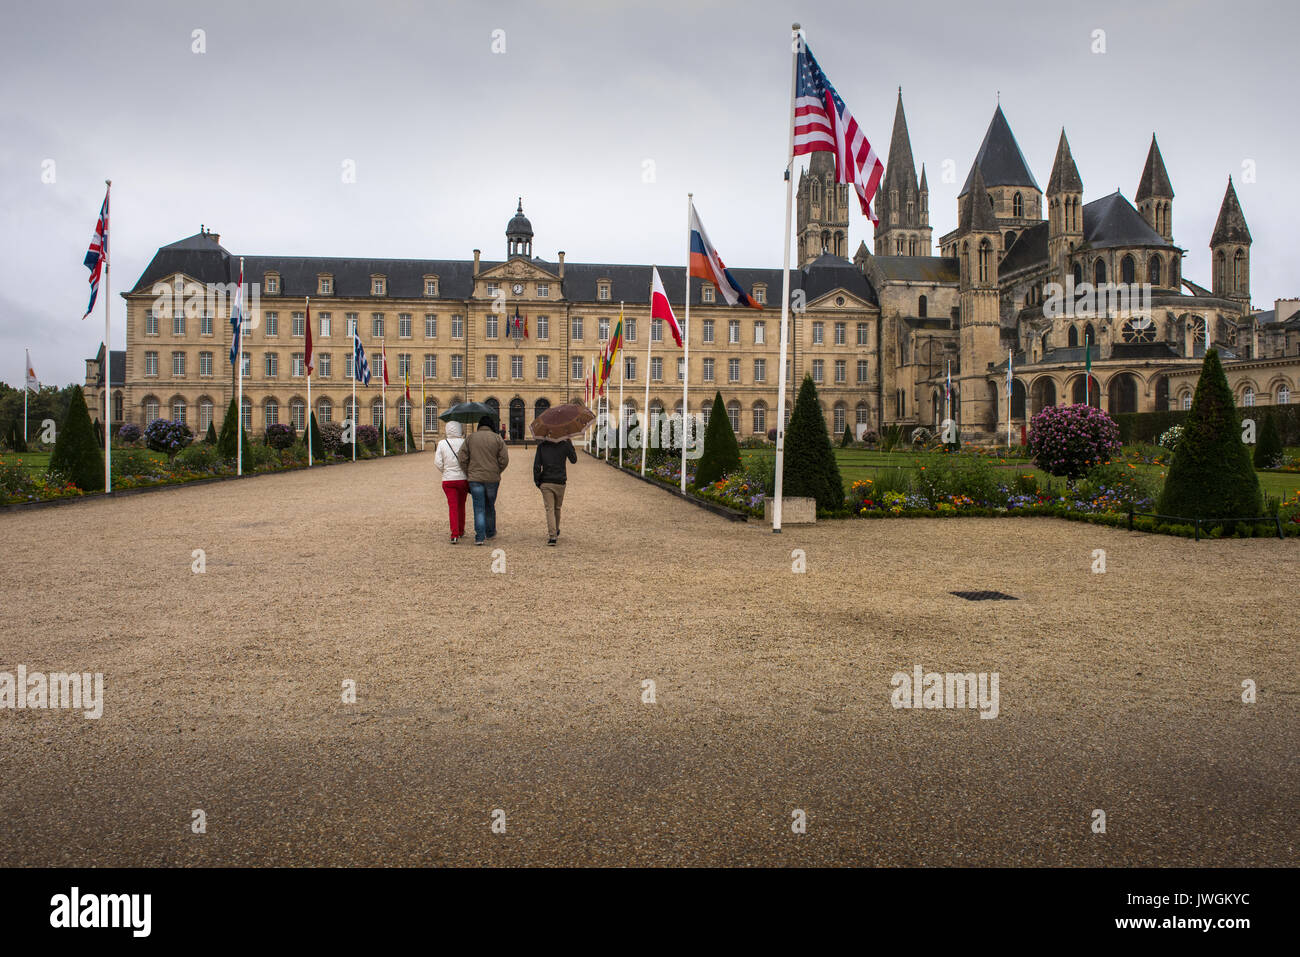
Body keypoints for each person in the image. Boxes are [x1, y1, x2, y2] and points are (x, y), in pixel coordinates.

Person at [457, 415, 509, 545]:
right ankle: (490, 533)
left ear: (479, 425)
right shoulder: (497, 438)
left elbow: (462, 458)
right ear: (492, 426)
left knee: (478, 507)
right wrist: (497, 471)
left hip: (475, 478)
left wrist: (468, 472)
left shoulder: (471, 438)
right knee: (490, 505)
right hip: (492, 478)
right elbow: (504, 459)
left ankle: (479, 537)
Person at [533, 436, 577, 546]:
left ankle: (553, 536)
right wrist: (570, 444)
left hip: (546, 481)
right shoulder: (565, 444)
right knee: (557, 508)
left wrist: (538, 481)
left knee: (550, 509)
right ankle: (555, 530)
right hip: (560, 480)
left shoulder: (542, 446)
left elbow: (537, 466)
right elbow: (574, 460)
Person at [433, 421, 468, 544]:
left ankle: (454, 534)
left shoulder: (442, 443)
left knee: (452, 506)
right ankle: (461, 529)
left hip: (448, 480)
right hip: (462, 479)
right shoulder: (464, 442)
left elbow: (437, 462)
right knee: (461, 505)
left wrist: (446, 471)